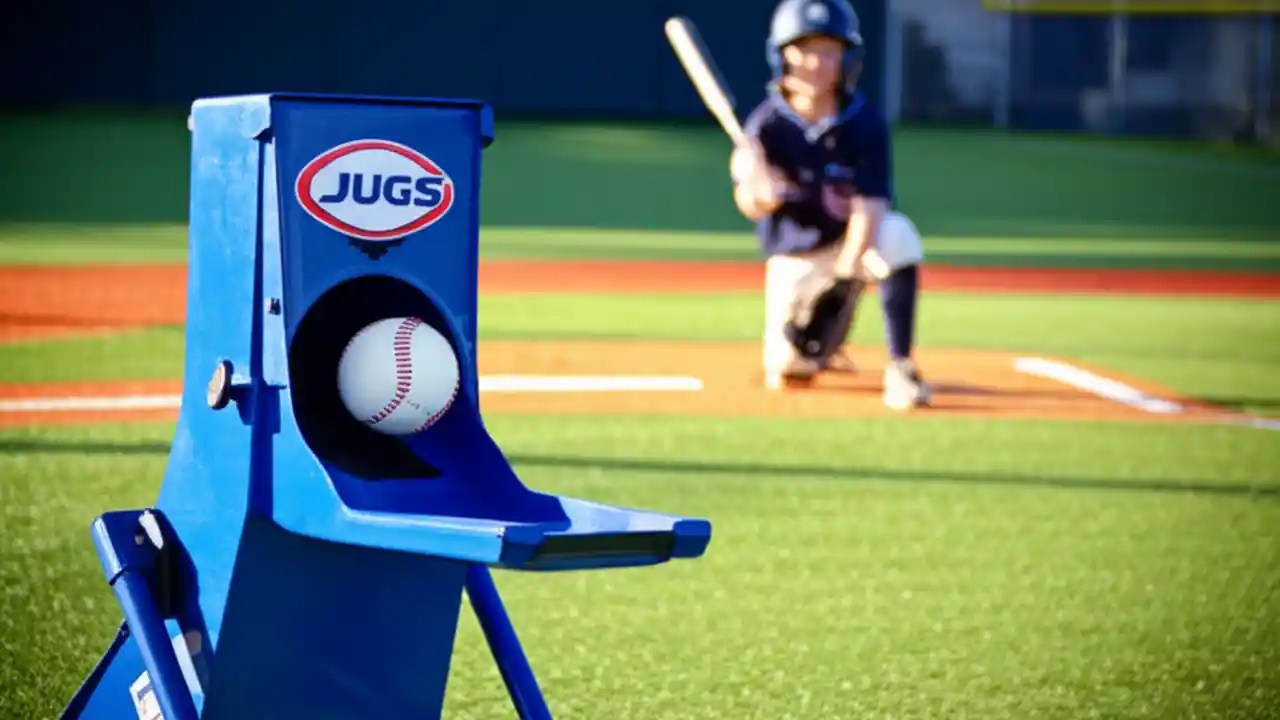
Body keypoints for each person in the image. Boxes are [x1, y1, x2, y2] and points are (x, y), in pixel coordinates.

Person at [730, 0, 931, 409]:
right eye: (806, 49)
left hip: (853, 244)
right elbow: (748, 203)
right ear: (783, 54)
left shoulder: (863, 122)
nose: (818, 63)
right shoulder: (764, 126)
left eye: (830, 51)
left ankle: (901, 367)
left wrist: (843, 278)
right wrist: (759, 193)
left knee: (899, 234)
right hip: (797, 257)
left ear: (846, 57)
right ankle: (829, 343)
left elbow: (871, 204)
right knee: (792, 368)